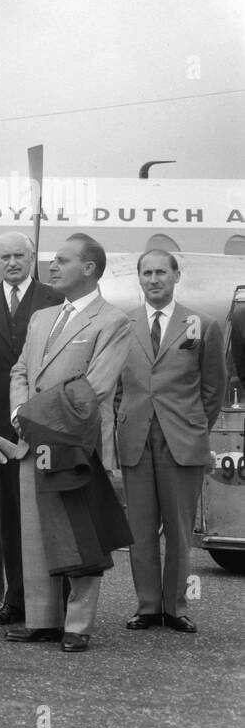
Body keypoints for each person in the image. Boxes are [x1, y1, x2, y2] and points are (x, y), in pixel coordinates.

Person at [9, 233, 131, 652]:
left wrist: (35, 419)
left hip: (74, 442)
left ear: (90, 268)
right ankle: (42, 620)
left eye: (62, 260)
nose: (52, 266)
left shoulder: (112, 321)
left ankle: (77, 625)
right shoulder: (42, 318)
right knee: (37, 532)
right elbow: (20, 371)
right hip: (33, 437)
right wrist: (18, 415)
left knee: (78, 532)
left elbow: (95, 389)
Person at [117, 249, 225, 634]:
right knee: (140, 529)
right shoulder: (122, 324)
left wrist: (193, 426)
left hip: (181, 439)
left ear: (177, 275)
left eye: (161, 271)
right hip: (136, 438)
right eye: (146, 273)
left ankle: (175, 607)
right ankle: (147, 606)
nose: (153, 279)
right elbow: (115, 387)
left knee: (179, 530)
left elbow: (213, 388)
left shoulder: (202, 324)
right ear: (139, 279)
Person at [0, 233, 60, 625]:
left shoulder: (54, 299)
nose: (11, 262)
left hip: (44, 422)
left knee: (47, 515)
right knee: (6, 514)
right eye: (4, 256)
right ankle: (15, 599)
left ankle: (52, 602)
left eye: (18, 255)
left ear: (32, 257)